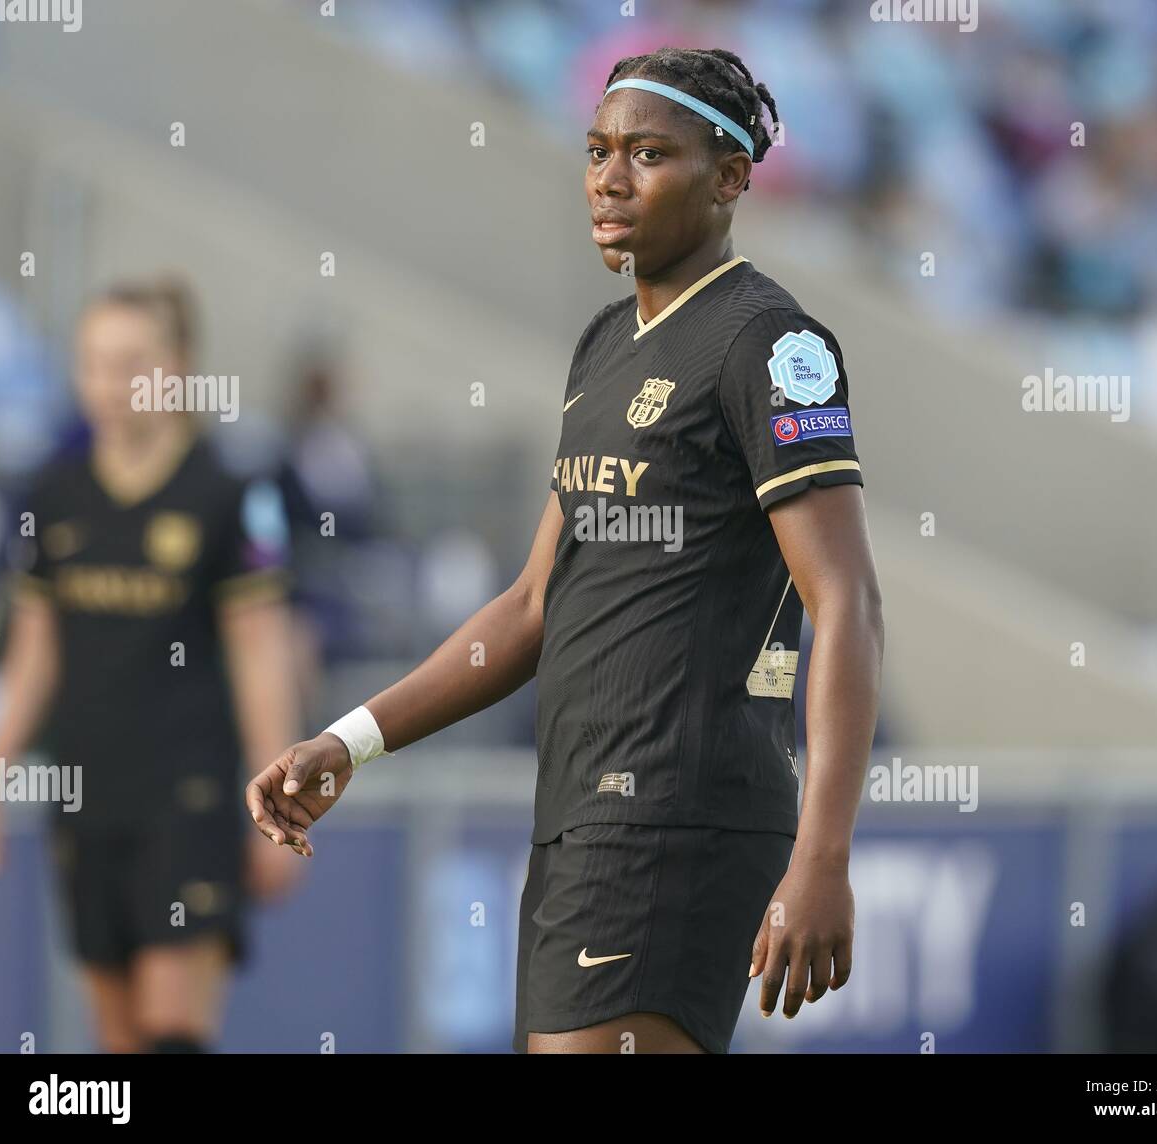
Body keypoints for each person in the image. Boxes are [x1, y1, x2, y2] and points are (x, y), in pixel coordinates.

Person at [247, 46, 884, 1054]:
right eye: (596, 151)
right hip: (580, 821)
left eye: (647, 153)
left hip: (678, 821)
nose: (608, 177)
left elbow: (846, 600)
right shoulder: (601, 344)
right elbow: (533, 604)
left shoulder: (767, 344)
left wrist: (824, 854)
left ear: (728, 178)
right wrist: (351, 739)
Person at [0, 279, 302, 1053]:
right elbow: (35, 649)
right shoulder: (53, 495)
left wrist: (282, 797)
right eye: (94, 364)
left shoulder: (229, 495)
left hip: (184, 799)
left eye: (132, 364)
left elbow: (262, 653)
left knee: (172, 1025)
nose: (111, 386)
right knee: (115, 1043)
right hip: (89, 796)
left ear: (180, 367)